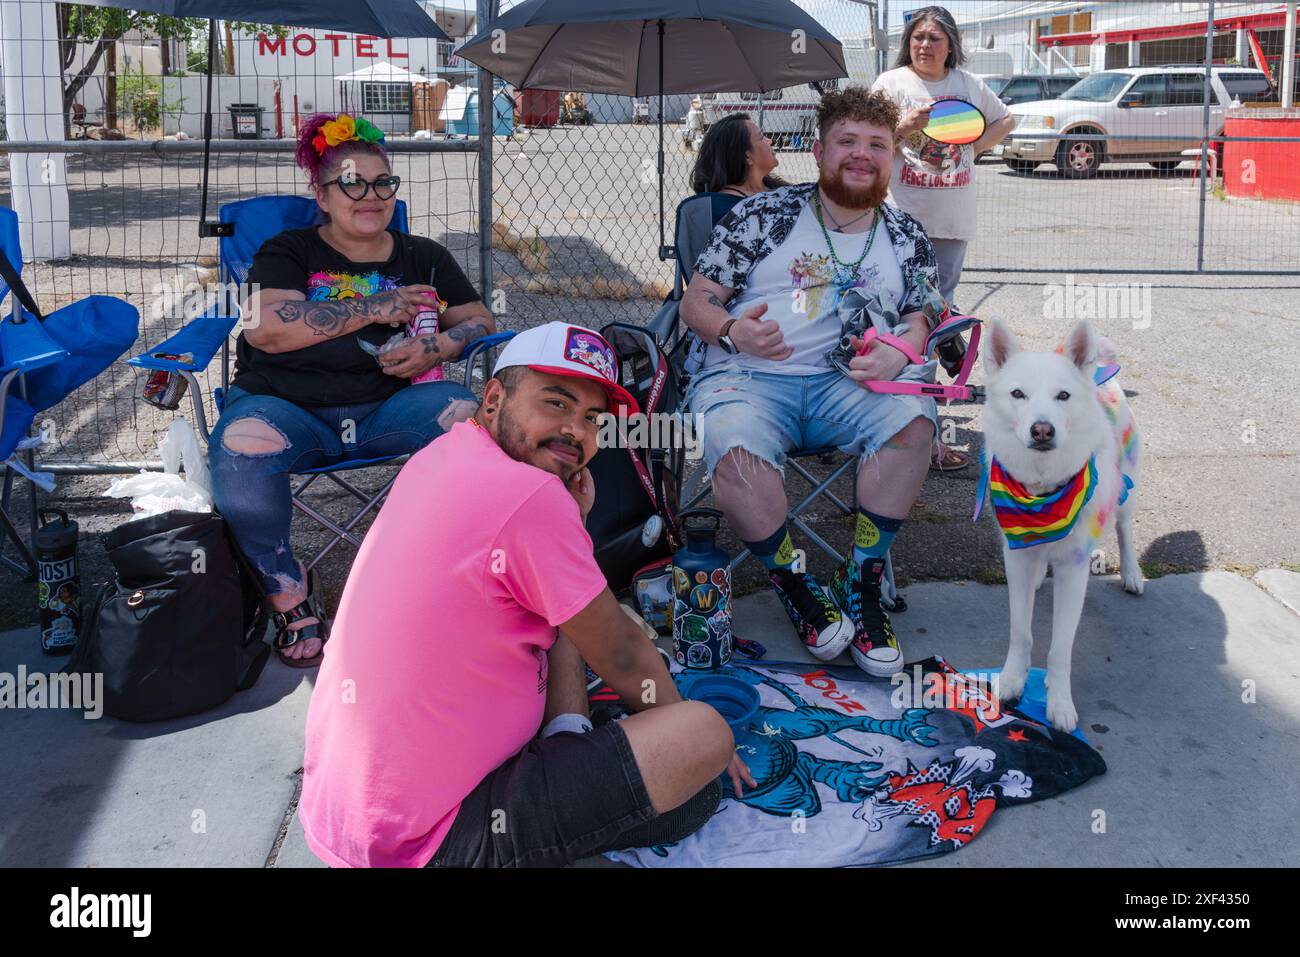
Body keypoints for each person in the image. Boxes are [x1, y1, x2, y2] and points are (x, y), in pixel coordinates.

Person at [299, 321, 754, 867]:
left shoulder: (441, 455)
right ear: (494, 399)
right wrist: (683, 734)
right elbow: (623, 657)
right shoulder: (531, 494)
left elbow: (559, 610)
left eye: (593, 419)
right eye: (555, 403)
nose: (575, 432)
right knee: (701, 741)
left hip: (350, 817)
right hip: (427, 842)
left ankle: (567, 735)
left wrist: (575, 533)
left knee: (606, 657)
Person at [208, 112, 495, 668]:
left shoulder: (424, 256)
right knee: (243, 443)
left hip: (390, 406)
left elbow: (480, 320)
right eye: (352, 183)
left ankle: (436, 581)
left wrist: (436, 348)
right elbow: (263, 327)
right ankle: (288, 593)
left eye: (382, 182)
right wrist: (374, 307)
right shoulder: (286, 251)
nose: (371, 195)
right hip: (286, 407)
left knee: (472, 425)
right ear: (321, 194)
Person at [680, 87, 942, 679]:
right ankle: (796, 585)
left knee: (914, 426)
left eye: (877, 144)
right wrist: (731, 331)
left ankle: (862, 581)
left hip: (849, 386)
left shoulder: (905, 234)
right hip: (747, 378)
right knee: (735, 447)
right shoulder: (761, 216)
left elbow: (925, 312)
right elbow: (696, 301)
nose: (861, 154)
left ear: (893, 156)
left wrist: (901, 349)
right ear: (820, 151)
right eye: (846, 141)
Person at [872, 4, 1015, 471]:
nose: (924, 45)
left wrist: (974, 145)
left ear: (950, 43)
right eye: (917, 37)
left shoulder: (967, 86)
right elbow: (866, 139)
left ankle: (924, 440)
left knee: (933, 323)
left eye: (934, 37)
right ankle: (877, 427)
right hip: (898, 223)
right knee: (886, 319)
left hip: (951, 222)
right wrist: (903, 128)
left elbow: (1005, 120)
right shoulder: (890, 85)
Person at [690, 112, 788, 216]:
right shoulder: (728, 207)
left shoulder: (771, 187)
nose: (770, 141)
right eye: (761, 137)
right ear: (747, 156)